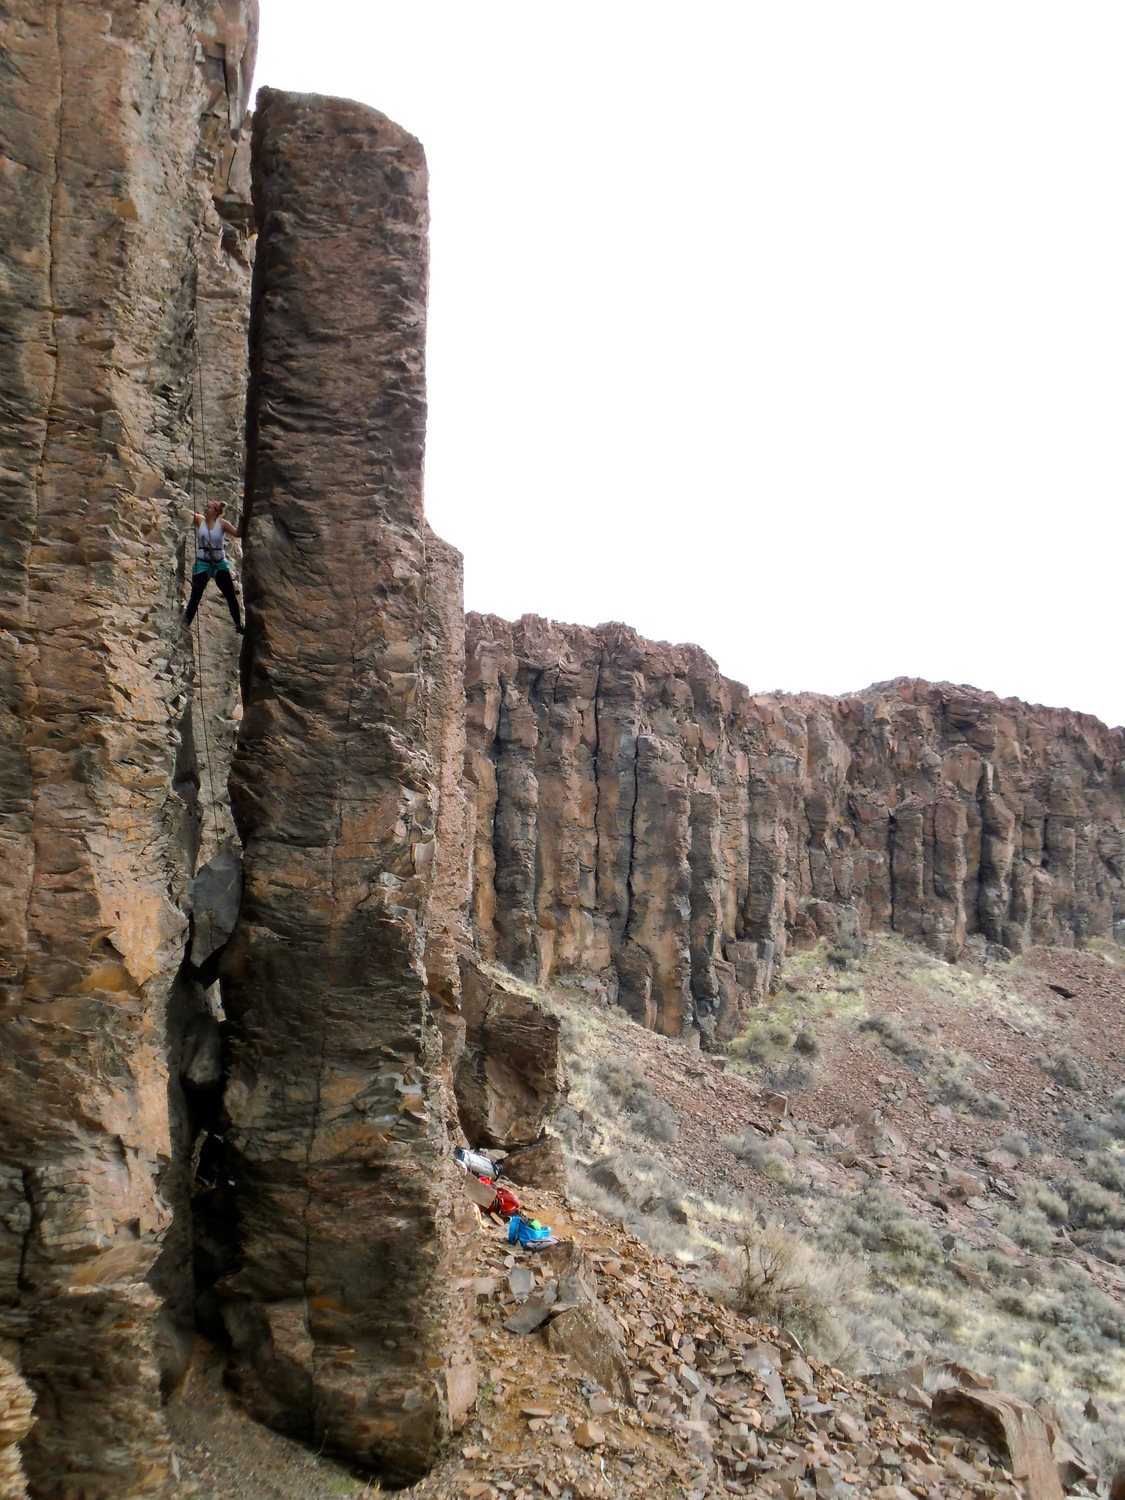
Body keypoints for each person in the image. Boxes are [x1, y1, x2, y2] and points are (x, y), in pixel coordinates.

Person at [183, 499, 244, 634]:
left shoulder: (222, 524)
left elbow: (238, 533)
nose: (205, 509)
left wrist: (242, 519)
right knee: (195, 596)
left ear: (215, 512)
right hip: (202, 563)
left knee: (230, 595)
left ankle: (238, 625)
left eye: (209, 507)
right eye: (205, 507)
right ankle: (185, 625)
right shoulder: (200, 520)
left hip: (219, 563)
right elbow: (187, 513)